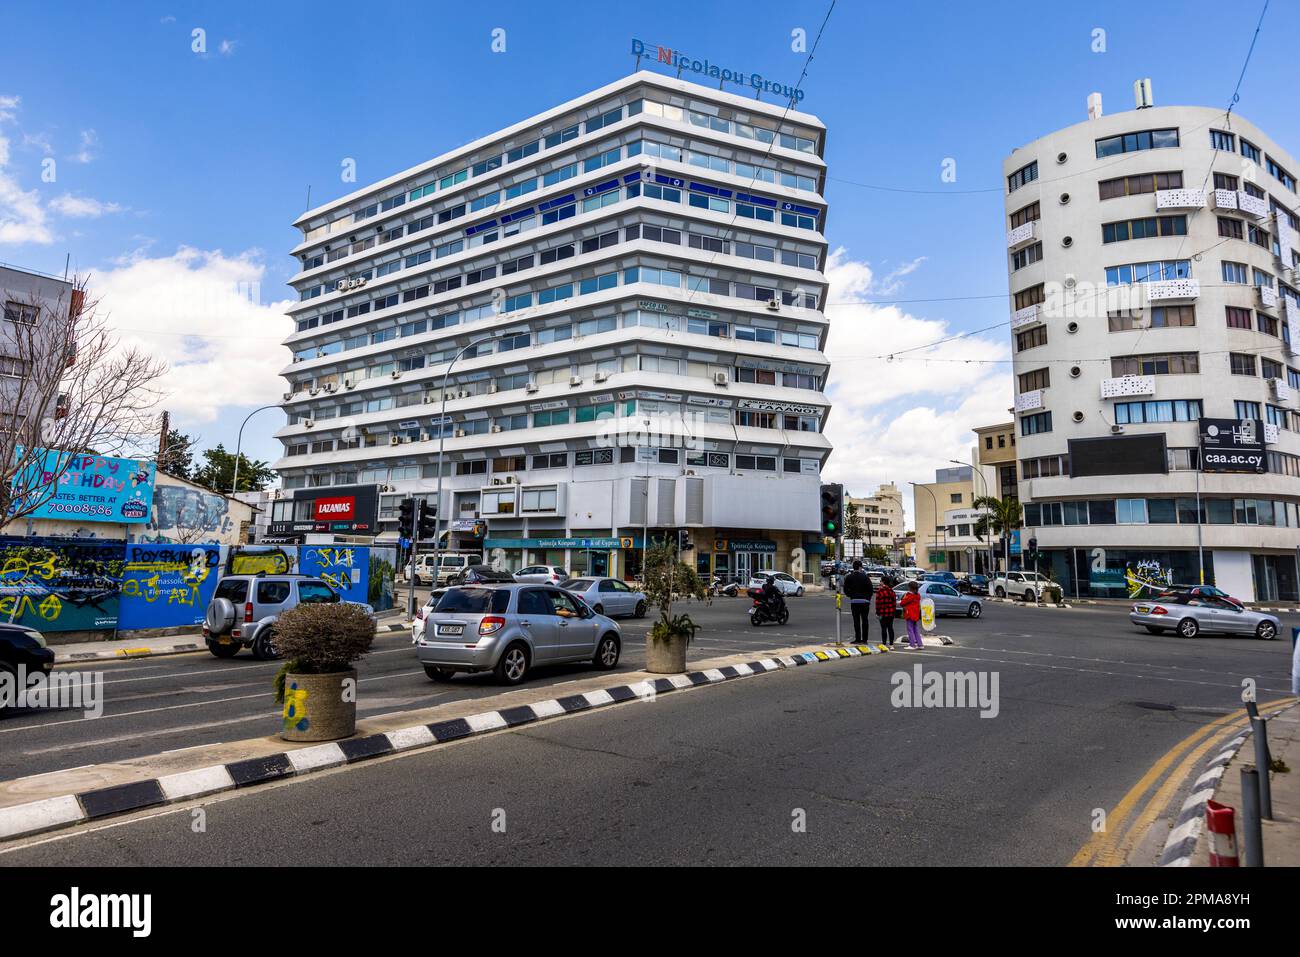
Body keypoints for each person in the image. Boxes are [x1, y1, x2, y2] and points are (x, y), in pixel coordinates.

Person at [842, 559, 873, 643]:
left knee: (856, 621)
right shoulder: (865, 577)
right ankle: (865, 639)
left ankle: (858, 638)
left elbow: (845, 589)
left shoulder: (849, 577)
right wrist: (868, 599)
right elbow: (871, 589)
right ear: (860, 567)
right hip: (865, 602)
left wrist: (851, 596)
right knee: (865, 620)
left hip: (855, 601)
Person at [874, 575, 897, 648]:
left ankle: (884, 644)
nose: (880, 582)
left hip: (882, 612)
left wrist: (877, 612)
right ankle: (891, 644)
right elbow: (894, 602)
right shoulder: (891, 591)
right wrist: (893, 611)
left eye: (880, 581)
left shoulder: (880, 591)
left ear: (883, 582)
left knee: (883, 628)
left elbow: (878, 603)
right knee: (890, 628)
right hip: (890, 612)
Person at [900, 581, 923, 649]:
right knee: (916, 629)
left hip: (909, 614)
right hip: (916, 614)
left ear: (910, 588)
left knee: (910, 629)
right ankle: (920, 644)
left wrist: (906, 595)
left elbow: (902, 603)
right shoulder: (918, 595)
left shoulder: (909, 595)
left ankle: (912, 644)